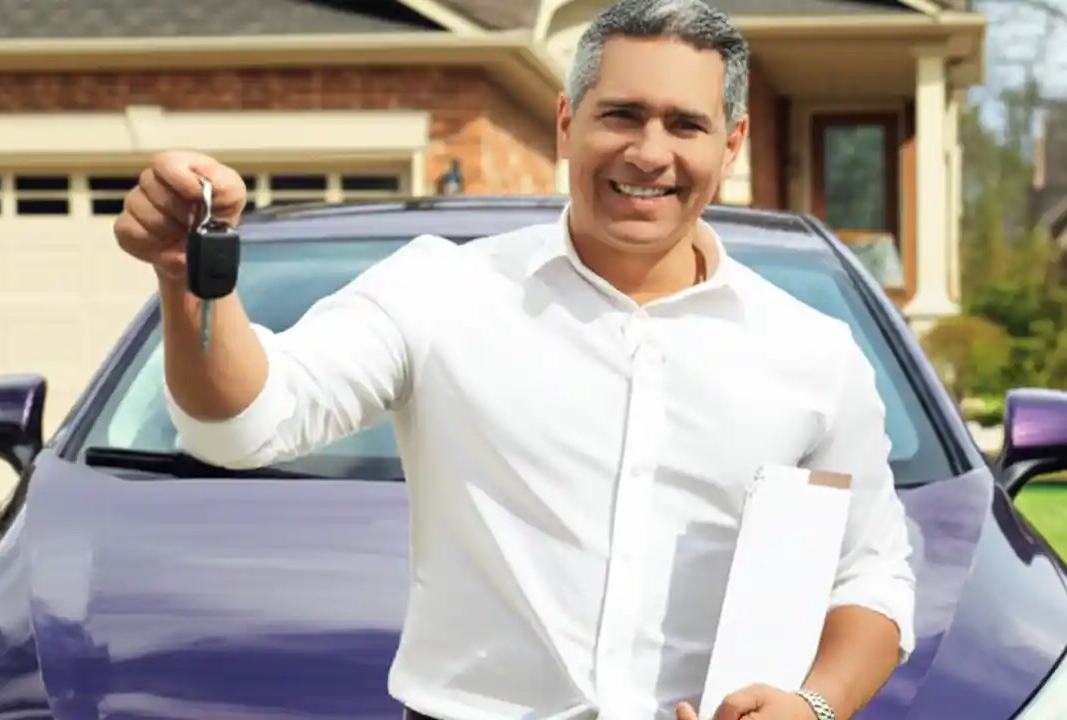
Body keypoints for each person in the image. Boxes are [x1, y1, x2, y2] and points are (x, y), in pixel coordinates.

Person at [112, 0, 916, 718]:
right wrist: (191, 286)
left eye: (685, 124)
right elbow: (243, 425)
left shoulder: (811, 354)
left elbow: (872, 579)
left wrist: (813, 705)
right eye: (622, 115)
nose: (648, 152)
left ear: (730, 142)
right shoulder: (439, 292)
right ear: (567, 123)